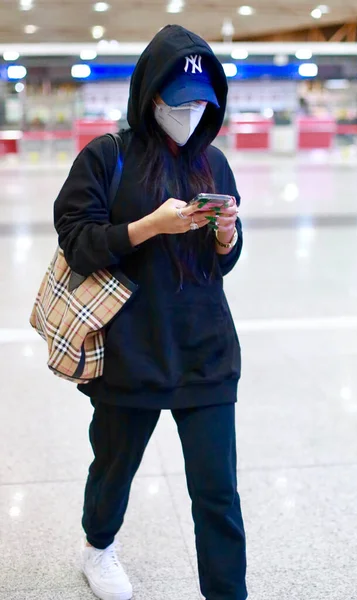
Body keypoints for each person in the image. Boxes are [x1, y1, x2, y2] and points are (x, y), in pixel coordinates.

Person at [54, 24, 247, 600]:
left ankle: (226, 591)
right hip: (129, 349)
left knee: (218, 491)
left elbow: (228, 261)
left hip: (205, 350)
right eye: (179, 103)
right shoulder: (106, 157)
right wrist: (146, 228)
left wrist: (225, 239)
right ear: (150, 97)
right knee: (114, 467)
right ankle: (99, 544)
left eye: (201, 105)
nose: (190, 114)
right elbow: (77, 240)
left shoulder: (212, 162)